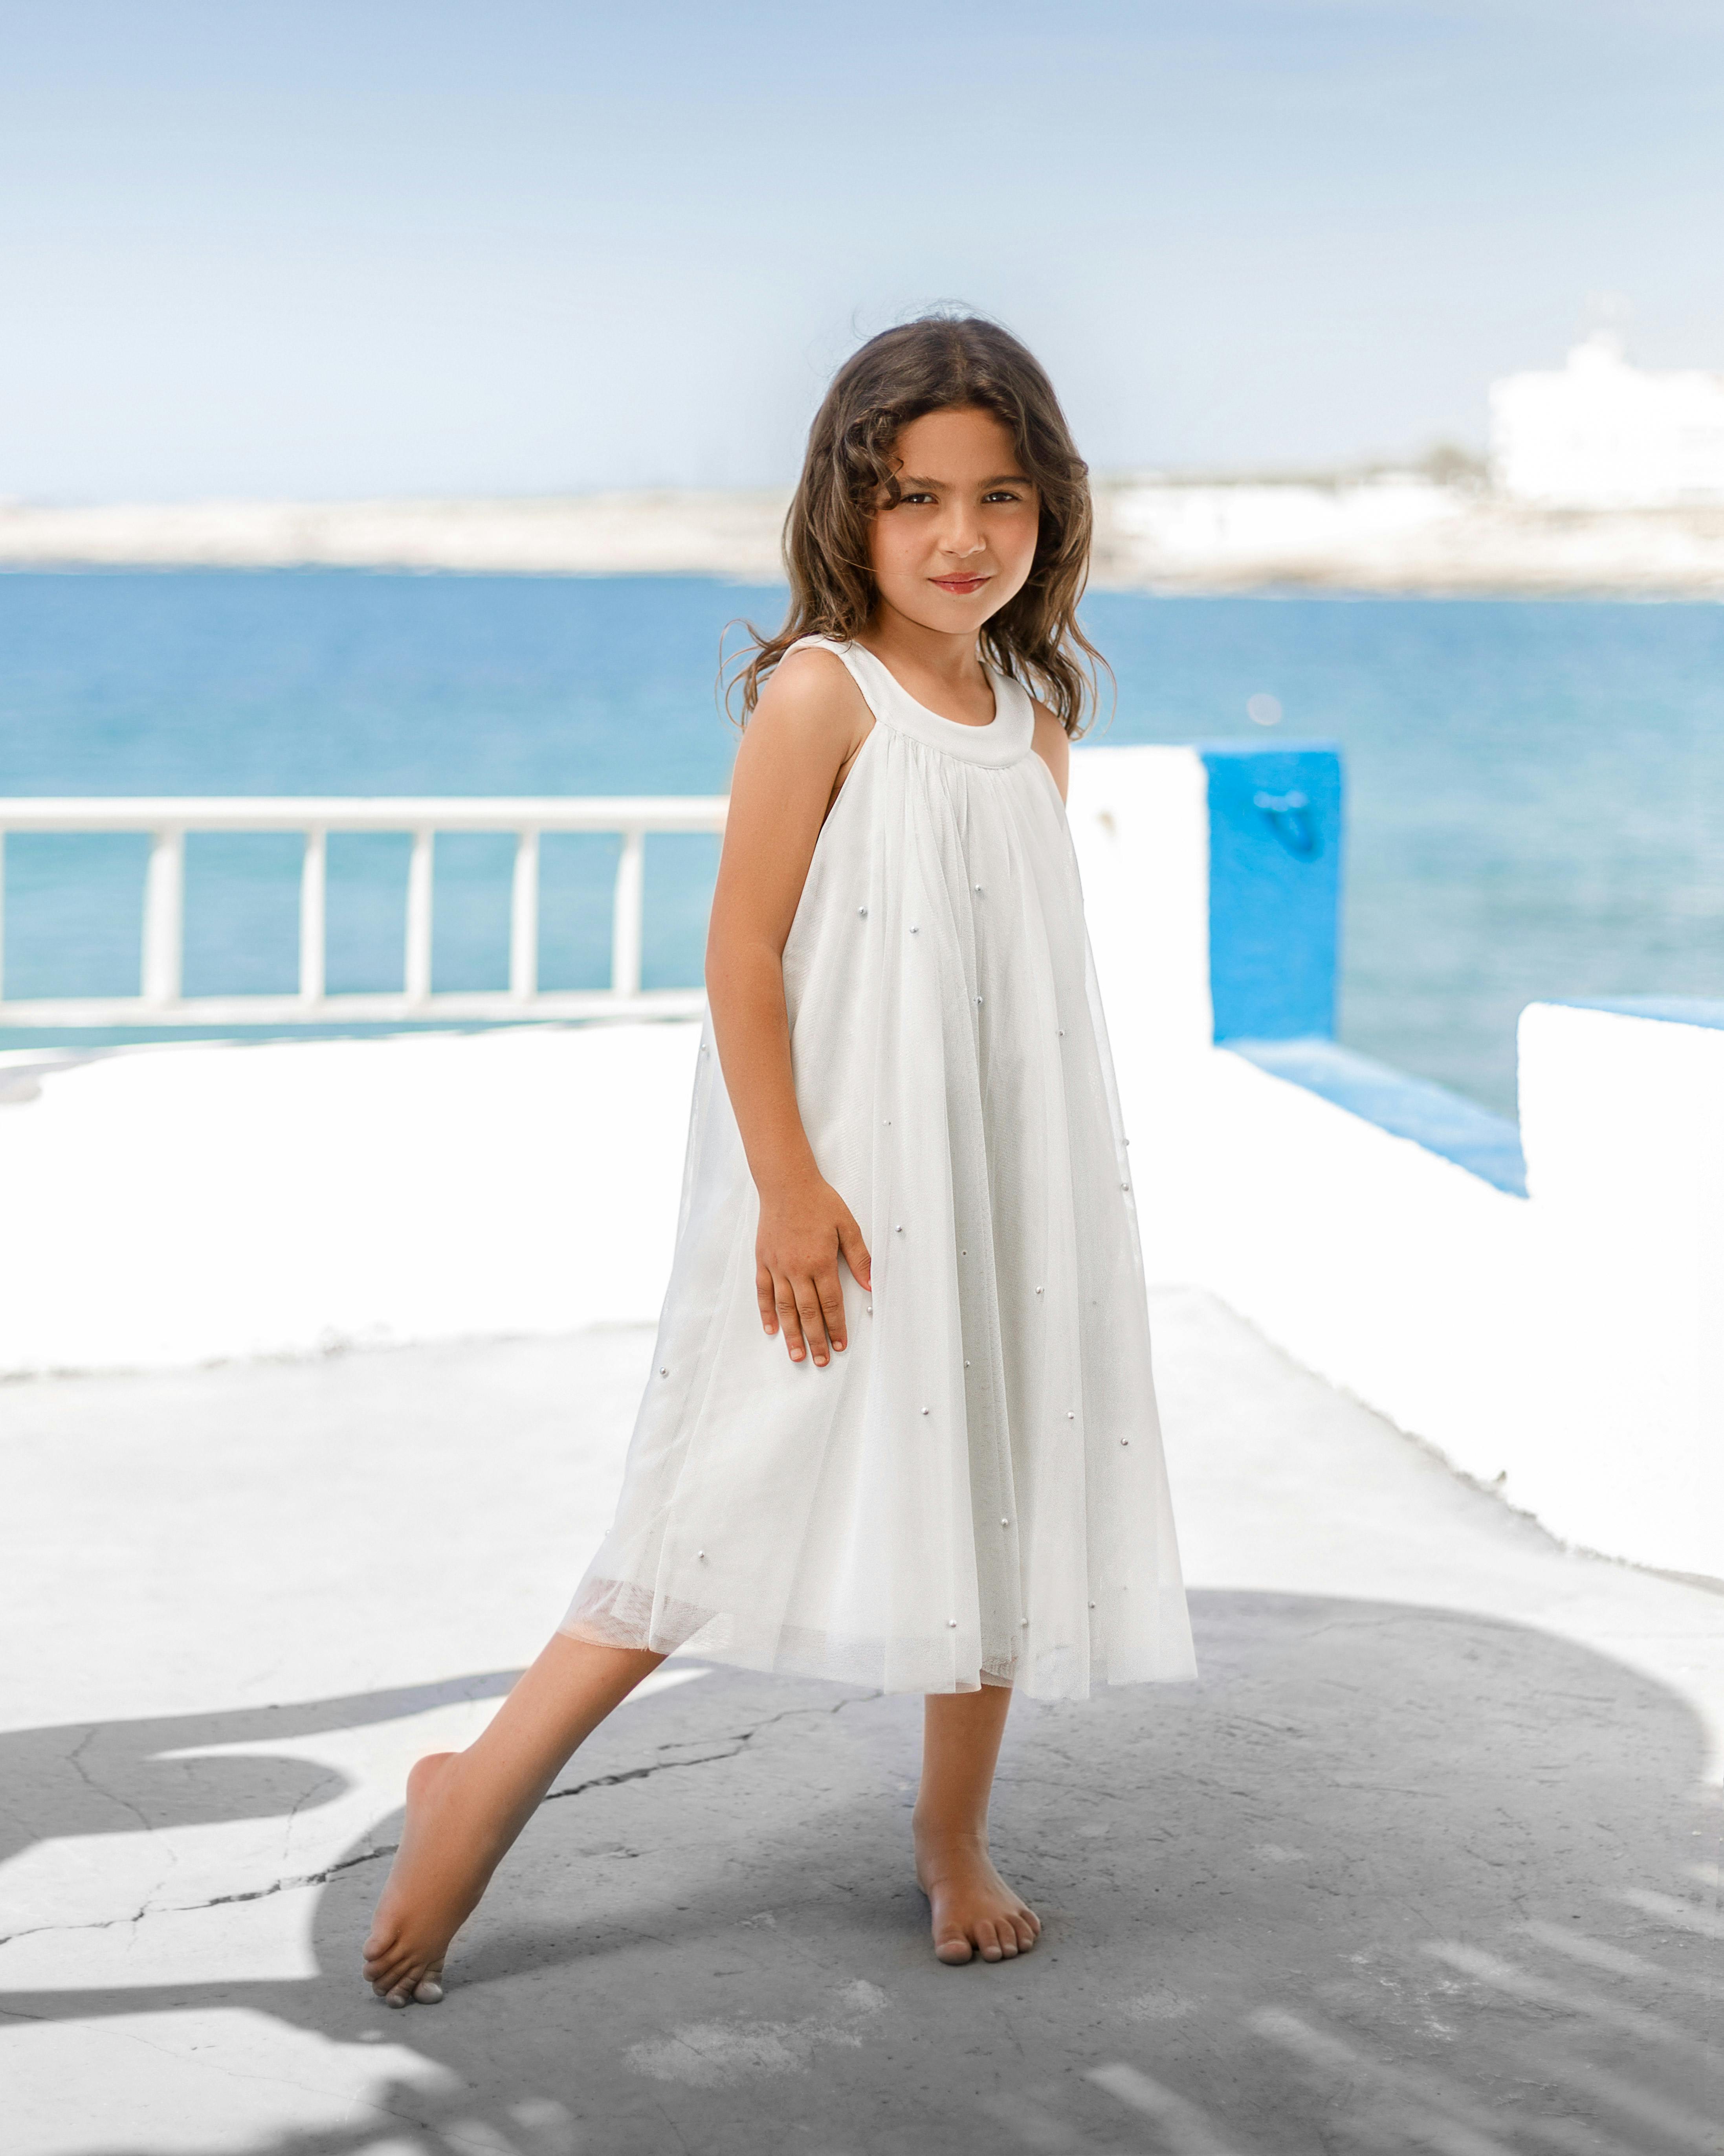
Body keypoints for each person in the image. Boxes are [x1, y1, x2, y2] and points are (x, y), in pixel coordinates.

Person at [363, 314, 1195, 2005]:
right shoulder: (823, 693)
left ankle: (951, 1840)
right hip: (827, 1183)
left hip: (993, 1187)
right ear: (847, 506)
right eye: (914, 498)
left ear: (1052, 515)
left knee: (995, 1492)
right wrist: (790, 1187)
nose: (959, 538)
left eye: (1001, 498)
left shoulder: (1031, 718)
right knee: (719, 1484)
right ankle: (465, 1810)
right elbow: (744, 953)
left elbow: (1011, 981)